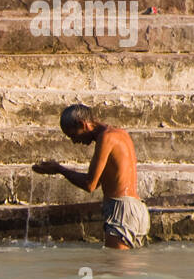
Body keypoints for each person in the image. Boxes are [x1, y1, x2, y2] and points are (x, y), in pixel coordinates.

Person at [33, 104, 148, 249]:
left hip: (121, 209)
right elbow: (99, 180)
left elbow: (90, 184)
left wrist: (59, 169)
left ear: (83, 124)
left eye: (73, 136)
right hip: (137, 209)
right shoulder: (120, 133)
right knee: (127, 268)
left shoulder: (106, 139)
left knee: (115, 268)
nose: (75, 142)